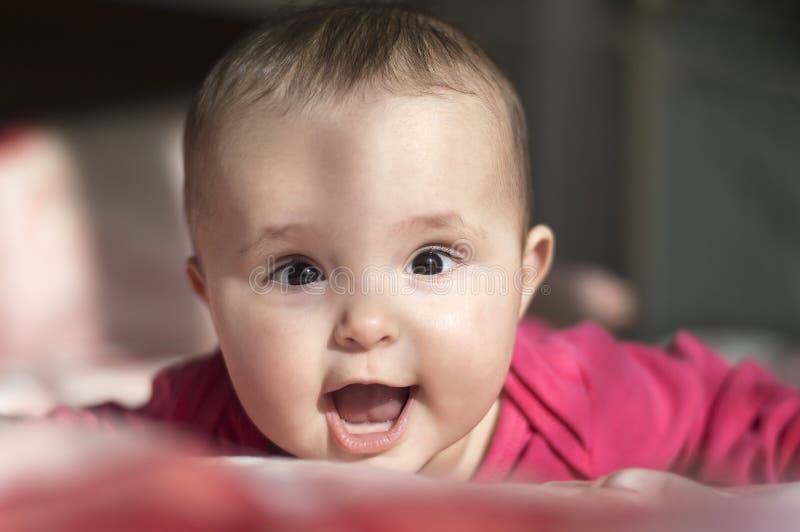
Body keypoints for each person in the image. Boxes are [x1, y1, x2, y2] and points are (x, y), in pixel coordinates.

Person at [48, 2, 800, 485]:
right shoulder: (206, 420)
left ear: (521, 273)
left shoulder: (578, 404)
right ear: (211, 300)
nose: (366, 324)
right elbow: (68, 452)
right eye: (299, 270)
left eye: (430, 260)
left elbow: (738, 415)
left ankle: (576, 300)